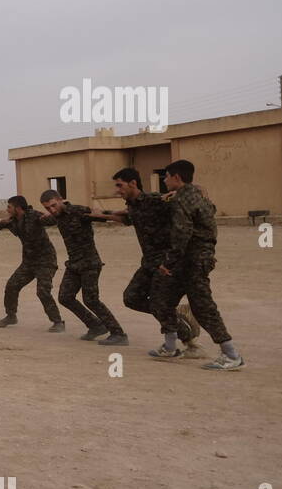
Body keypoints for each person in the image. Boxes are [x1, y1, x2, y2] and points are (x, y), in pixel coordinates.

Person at [148, 159, 244, 370]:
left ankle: (231, 354)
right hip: (191, 259)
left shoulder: (183, 200)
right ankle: (171, 347)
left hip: (194, 259)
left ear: (177, 177)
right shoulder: (197, 195)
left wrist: (168, 262)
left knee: (203, 307)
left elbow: (182, 234)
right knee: (162, 299)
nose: (164, 180)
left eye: (166, 176)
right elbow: (211, 209)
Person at [97, 168, 201, 356]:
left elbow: (182, 204)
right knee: (132, 298)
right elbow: (128, 217)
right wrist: (98, 214)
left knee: (160, 303)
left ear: (133, 183)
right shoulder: (132, 205)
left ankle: (184, 345)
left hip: (166, 262)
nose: (117, 190)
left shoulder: (155, 200)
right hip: (148, 263)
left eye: (119, 185)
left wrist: (178, 194)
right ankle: (179, 317)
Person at [38, 190, 127, 345]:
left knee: (91, 300)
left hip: (89, 263)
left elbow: (103, 215)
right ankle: (95, 326)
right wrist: (46, 215)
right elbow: (46, 218)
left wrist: (123, 214)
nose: (52, 210)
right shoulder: (56, 216)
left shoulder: (78, 211)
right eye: (48, 208)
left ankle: (118, 333)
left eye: (53, 205)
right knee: (65, 297)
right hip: (74, 264)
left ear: (60, 200)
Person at [0, 196, 65, 331]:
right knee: (12, 286)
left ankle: (58, 322)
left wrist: (58, 208)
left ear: (17, 208)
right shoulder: (12, 221)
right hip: (29, 262)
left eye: (9, 207)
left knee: (42, 291)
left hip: (45, 261)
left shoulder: (34, 215)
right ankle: (11, 316)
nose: (7, 209)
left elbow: (53, 219)